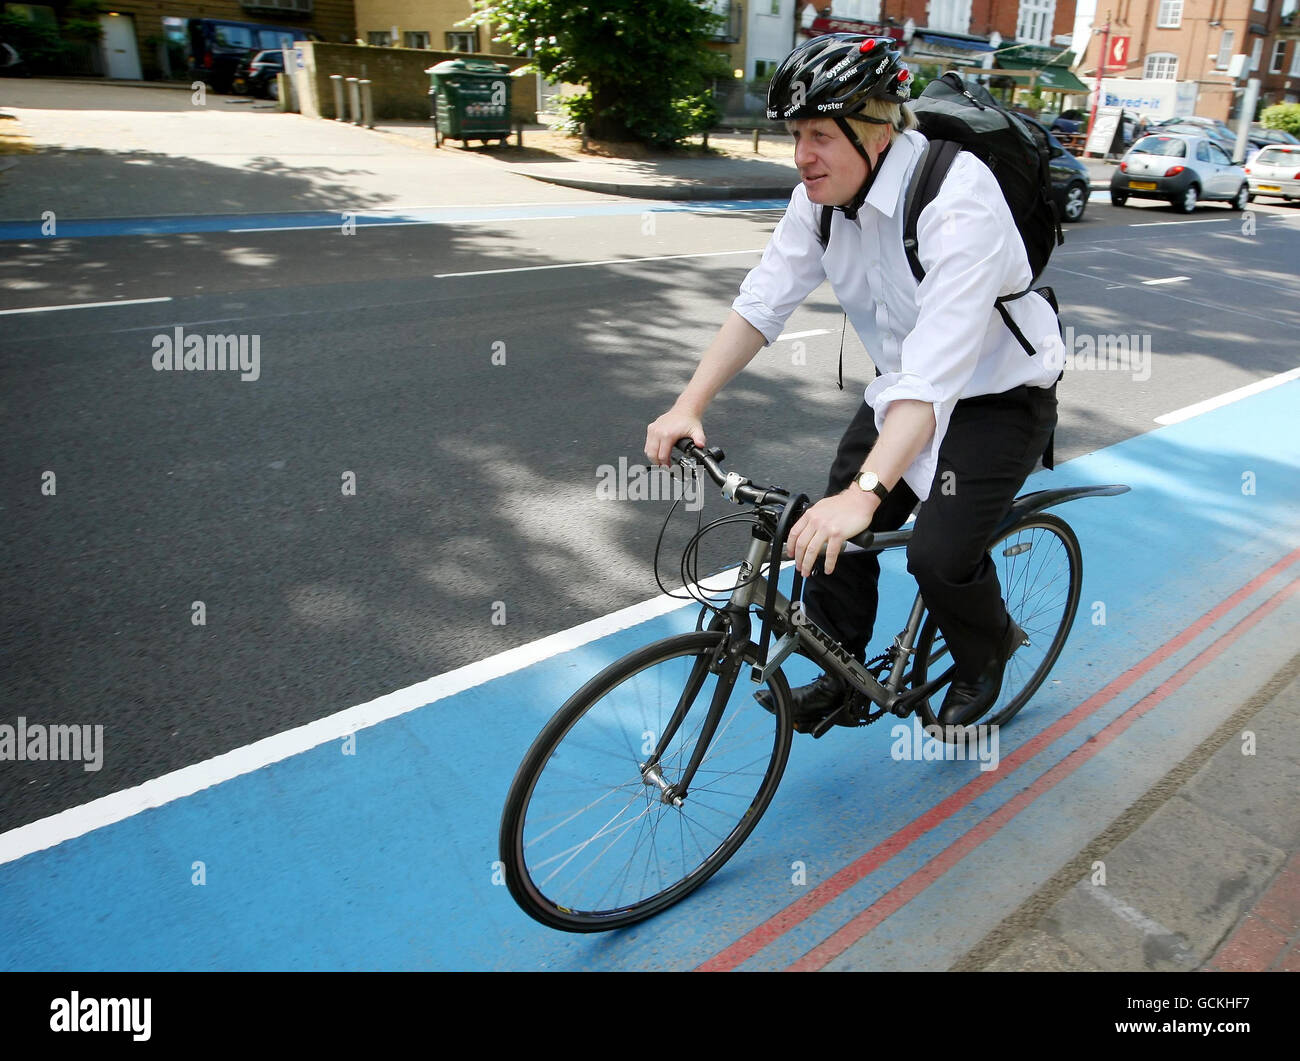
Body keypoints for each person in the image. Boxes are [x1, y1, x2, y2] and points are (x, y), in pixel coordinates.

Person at [644, 34, 1063, 730]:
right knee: (822, 531)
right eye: (794, 134)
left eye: (818, 135)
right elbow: (763, 300)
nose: (800, 155)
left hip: (997, 398)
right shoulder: (820, 197)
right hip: (906, 388)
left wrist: (865, 495)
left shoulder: (959, 201)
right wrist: (690, 403)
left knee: (938, 553)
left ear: (876, 133)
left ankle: (988, 650)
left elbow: (935, 378)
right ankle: (844, 674)